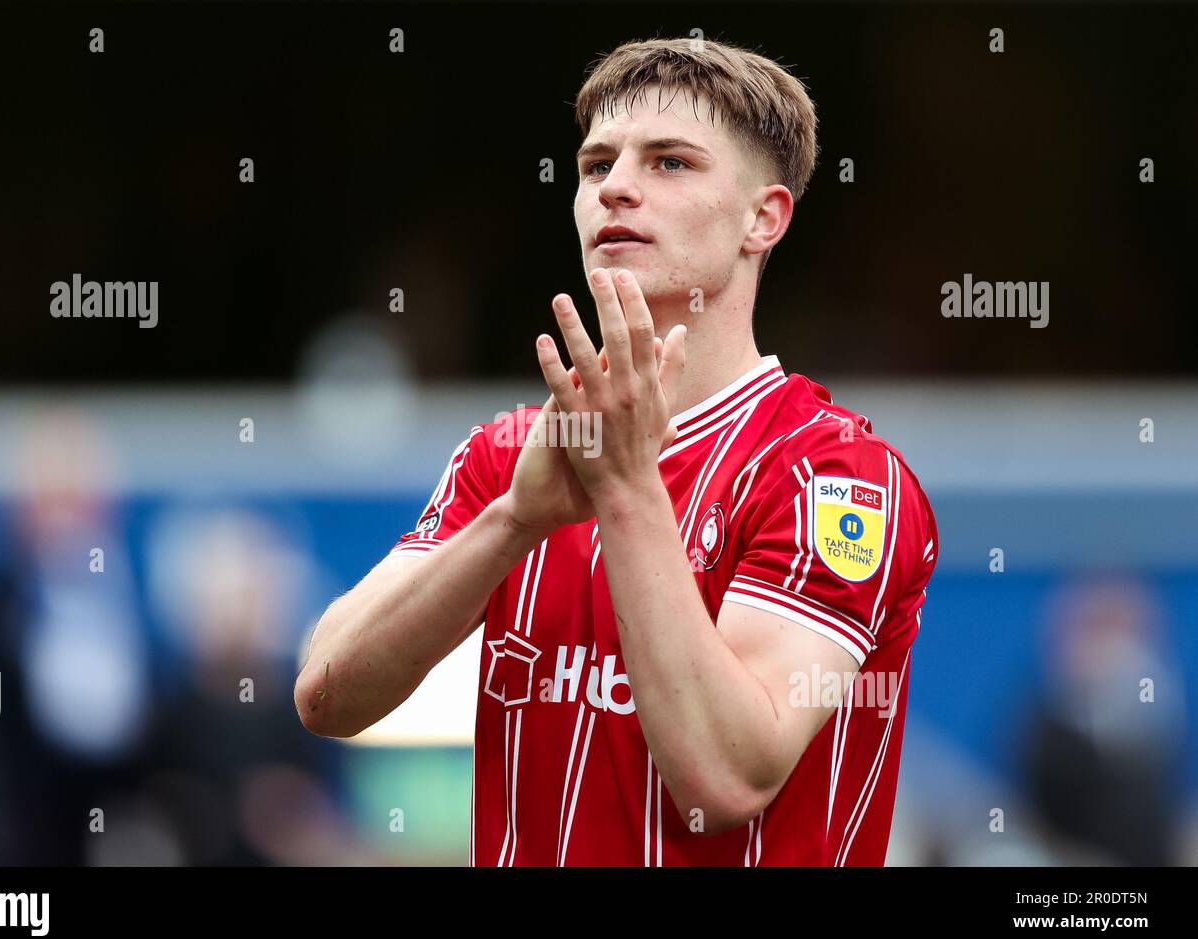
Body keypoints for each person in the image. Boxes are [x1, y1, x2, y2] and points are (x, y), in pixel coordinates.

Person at [296, 37, 938, 866]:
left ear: (764, 217)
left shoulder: (836, 477)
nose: (617, 187)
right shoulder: (508, 458)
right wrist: (514, 521)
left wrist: (628, 490)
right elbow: (328, 696)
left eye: (671, 163)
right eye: (596, 164)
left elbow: (726, 778)